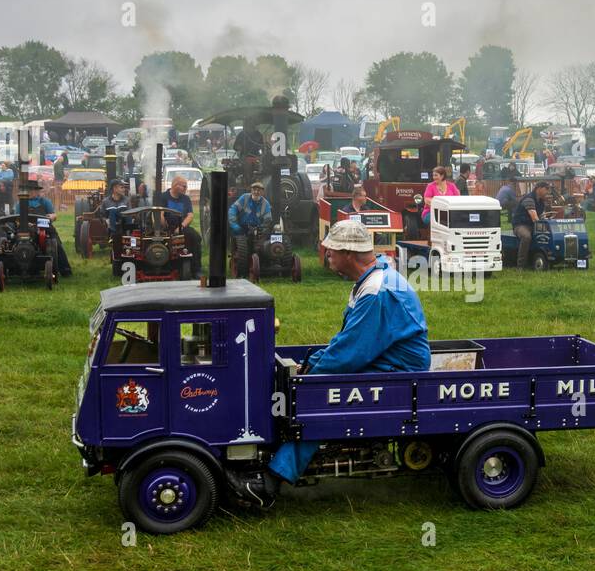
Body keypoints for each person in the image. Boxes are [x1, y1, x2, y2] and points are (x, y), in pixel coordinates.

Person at [228, 220, 430, 506]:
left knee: (316, 400)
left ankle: (268, 483)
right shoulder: (373, 278)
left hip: (398, 370)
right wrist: (314, 361)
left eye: (331, 251)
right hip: (383, 359)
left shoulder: (378, 292)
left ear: (348, 253)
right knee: (314, 379)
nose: (326, 256)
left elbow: (351, 353)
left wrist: (308, 376)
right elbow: (349, 340)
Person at [23, 180, 73, 276]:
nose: (31, 192)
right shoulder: (21, 203)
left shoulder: (45, 201)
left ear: (37, 191)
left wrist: (50, 217)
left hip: (44, 228)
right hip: (27, 229)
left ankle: (65, 270)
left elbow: (54, 215)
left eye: (33, 190)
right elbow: (17, 217)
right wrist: (26, 223)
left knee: (56, 245)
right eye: (29, 190)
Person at [158, 174, 201, 273]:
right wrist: (165, 227)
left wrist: (181, 227)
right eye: (184, 186)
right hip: (166, 227)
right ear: (175, 185)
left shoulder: (185, 199)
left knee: (196, 237)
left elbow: (190, 215)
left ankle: (196, 269)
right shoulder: (164, 197)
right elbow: (160, 214)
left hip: (181, 227)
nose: (186, 188)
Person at [511, 180, 551, 269]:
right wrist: (544, 225)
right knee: (526, 237)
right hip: (520, 225)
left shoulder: (541, 201)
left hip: (533, 225)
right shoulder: (529, 199)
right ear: (539, 189)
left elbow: (542, 216)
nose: (547, 192)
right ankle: (521, 265)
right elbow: (535, 218)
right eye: (546, 189)